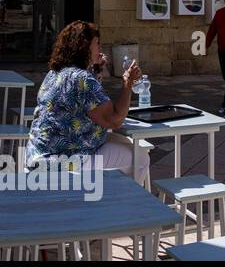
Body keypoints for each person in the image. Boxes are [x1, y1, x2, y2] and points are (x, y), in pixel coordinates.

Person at [25, 20, 148, 184]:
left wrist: (96, 69)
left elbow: (89, 103)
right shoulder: (82, 79)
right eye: (97, 43)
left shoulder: (56, 73)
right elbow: (115, 119)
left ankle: (108, 196)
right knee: (139, 157)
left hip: (39, 153)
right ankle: (125, 205)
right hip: (63, 161)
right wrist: (128, 85)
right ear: (84, 47)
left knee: (125, 142)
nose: (101, 48)